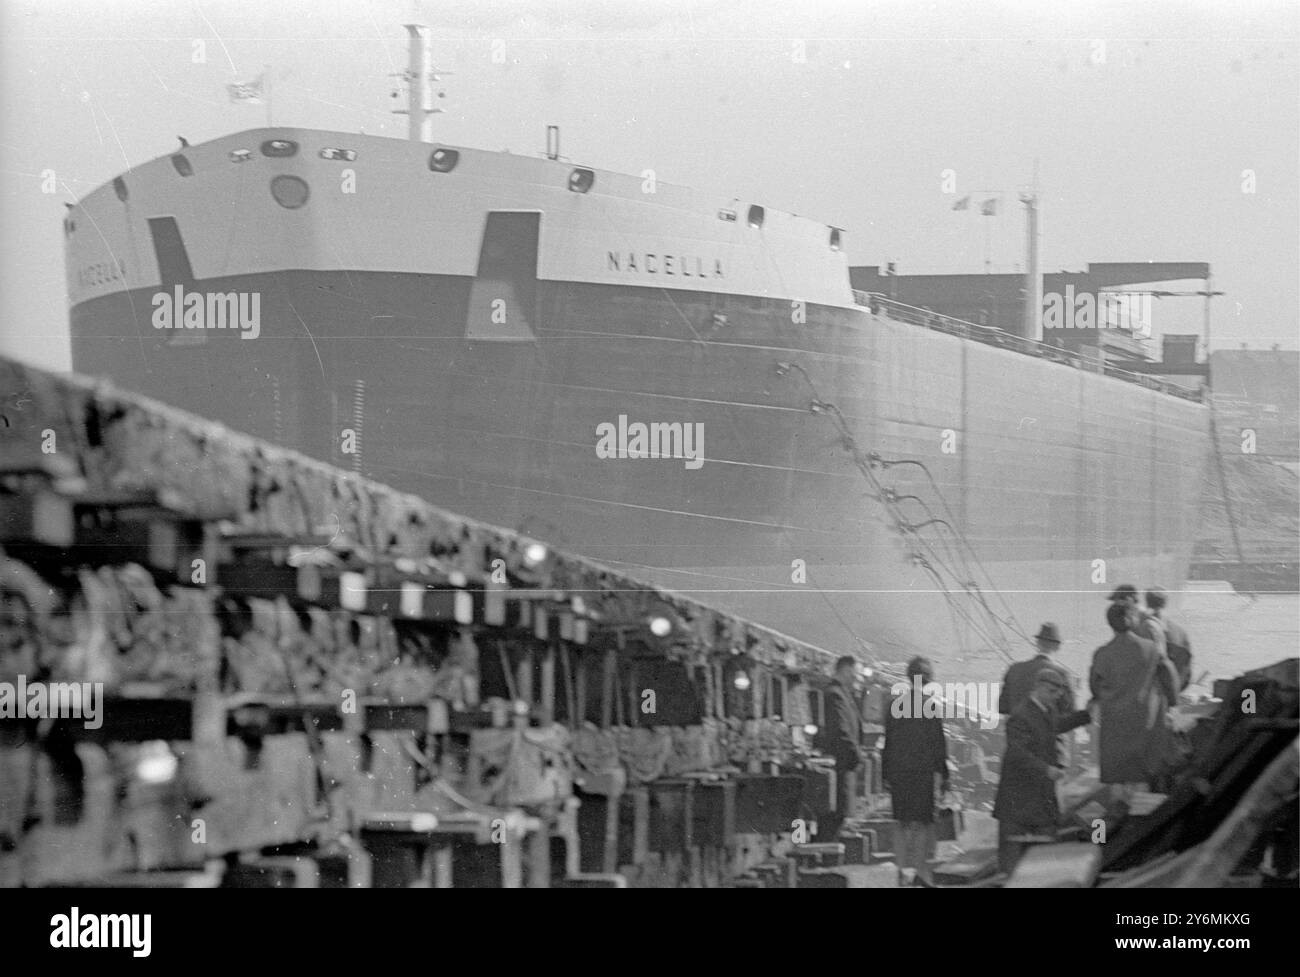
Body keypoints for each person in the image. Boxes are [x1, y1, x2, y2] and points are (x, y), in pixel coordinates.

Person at [993, 667, 1091, 876]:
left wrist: (1087, 715)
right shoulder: (1020, 716)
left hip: (1037, 799)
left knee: (1041, 857)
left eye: (1058, 694)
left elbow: (1058, 725)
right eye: (1052, 693)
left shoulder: (1046, 710)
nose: (1056, 698)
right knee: (1013, 863)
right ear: (1039, 688)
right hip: (1017, 801)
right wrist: (1046, 769)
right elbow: (1017, 754)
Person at [1089, 602, 1178, 791]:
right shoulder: (1151, 648)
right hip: (1144, 720)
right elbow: (1168, 674)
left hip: (1114, 723)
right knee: (1141, 774)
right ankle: (1139, 815)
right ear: (1133, 620)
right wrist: (1173, 703)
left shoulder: (1102, 653)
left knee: (1117, 777)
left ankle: (1116, 813)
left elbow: (1094, 687)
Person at [882, 656, 949, 886]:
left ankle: (900, 872)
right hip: (923, 774)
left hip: (899, 773)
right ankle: (920, 870)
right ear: (928, 680)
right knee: (922, 823)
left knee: (900, 822)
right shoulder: (931, 705)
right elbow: (939, 746)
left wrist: (885, 774)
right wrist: (945, 776)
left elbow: (888, 743)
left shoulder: (895, 705)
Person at [816, 655, 862, 842]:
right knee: (832, 817)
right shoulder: (836, 694)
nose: (857, 679)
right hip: (840, 767)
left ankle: (824, 857)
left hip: (842, 767)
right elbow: (842, 731)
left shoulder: (842, 694)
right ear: (846, 670)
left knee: (835, 817)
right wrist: (855, 756)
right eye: (855, 674)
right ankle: (823, 861)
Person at [998, 623, 1074, 716]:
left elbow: (1002, 708)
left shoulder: (1014, 669)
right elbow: (1069, 712)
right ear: (1057, 647)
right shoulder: (1061, 674)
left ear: (1037, 643)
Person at [1147, 587, 1192, 691]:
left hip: (1148, 694)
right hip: (1173, 691)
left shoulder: (1140, 629)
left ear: (1147, 603)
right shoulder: (1180, 632)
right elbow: (1186, 669)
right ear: (1165, 603)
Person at [1109, 583, 1165, 657]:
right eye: (1115, 600)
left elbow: (1158, 654)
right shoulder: (1121, 618)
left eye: (1120, 599)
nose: (1116, 603)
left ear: (1131, 598)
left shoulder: (1147, 621)